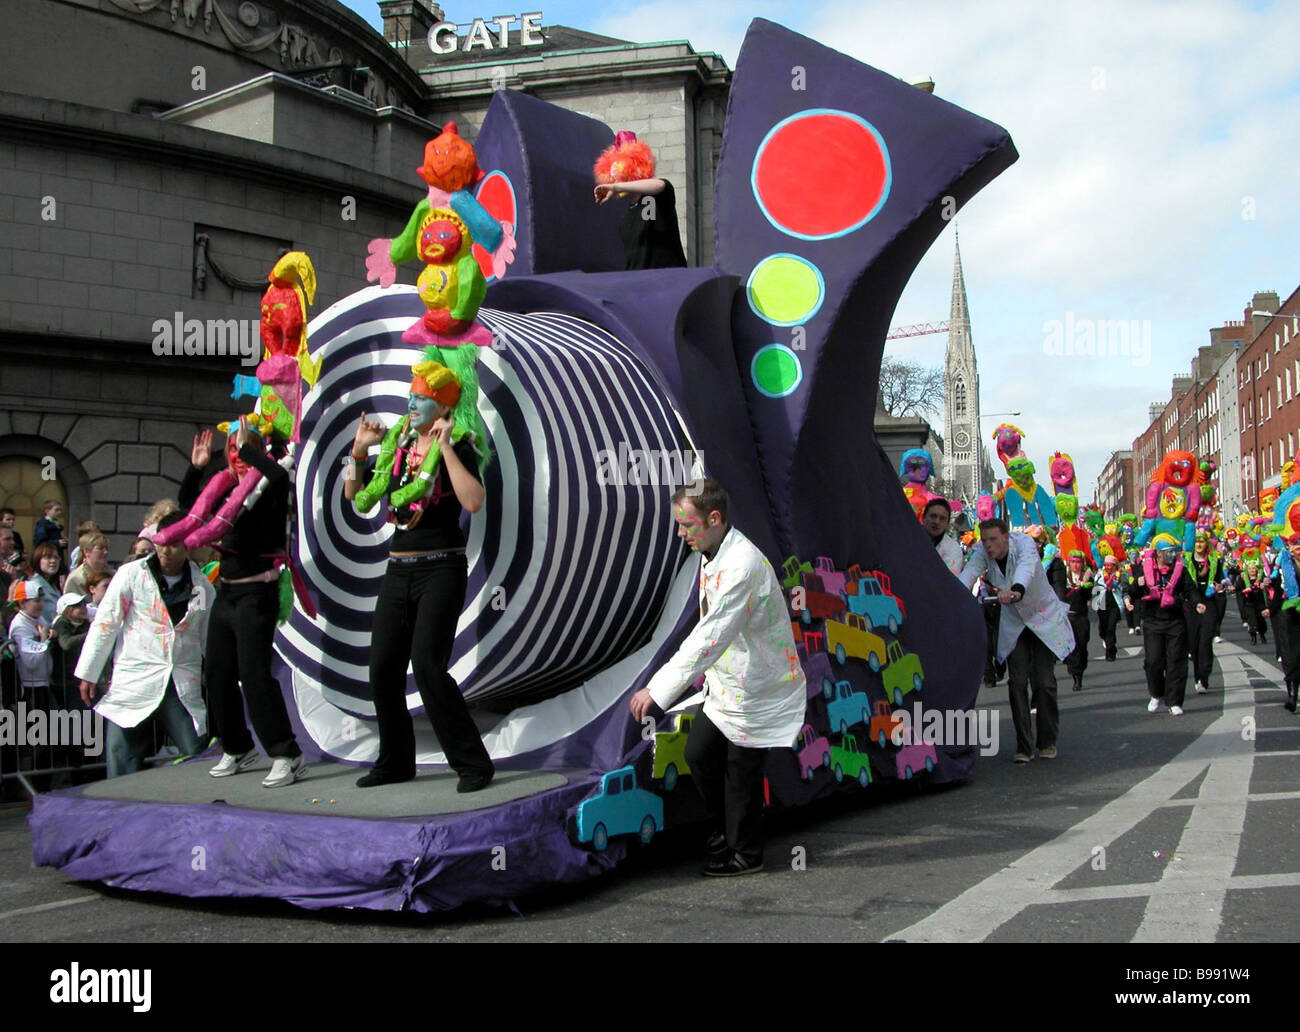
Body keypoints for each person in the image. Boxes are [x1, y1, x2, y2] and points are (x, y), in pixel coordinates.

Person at [630, 479, 806, 876]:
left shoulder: (741, 565)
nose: (680, 533)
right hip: (729, 683)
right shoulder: (713, 550)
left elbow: (709, 635)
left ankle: (746, 853)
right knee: (699, 755)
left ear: (715, 518)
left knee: (741, 772)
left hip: (757, 687)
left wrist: (658, 690)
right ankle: (726, 832)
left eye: (686, 524)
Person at [345, 350, 495, 792]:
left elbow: (473, 502)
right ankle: (395, 762)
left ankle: (472, 764)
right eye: (411, 396)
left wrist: (446, 447)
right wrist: (357, 452)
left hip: (442, 568)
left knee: (428, 666)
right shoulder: (398, 444)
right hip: (398, 568)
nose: (412, 405)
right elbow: (357, 496)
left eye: (422, 398)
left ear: (444, 407)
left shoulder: (461, 444)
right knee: (382, 667)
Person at [169, 418, 307, 788]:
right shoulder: (223, 488)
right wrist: (195, 469)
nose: (237, 456)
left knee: (254, 673)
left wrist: (250, 447)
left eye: (244, 448)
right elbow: (187, 513)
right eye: (231, 449)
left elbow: (274, 475)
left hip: (256, 594)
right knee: (216, 673)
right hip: (227, 594)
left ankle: (286, 754)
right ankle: (237, 746)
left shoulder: (271, 485)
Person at [76, 511, 215, 777]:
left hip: (180, 681)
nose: (165, 549)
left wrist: (223, 680)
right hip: (135, 677)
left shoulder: (203, 588)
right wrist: (88, 672)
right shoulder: (131, 574)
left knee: (195, 752)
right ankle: (118, 811)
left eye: (174, 543)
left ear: (188, 545)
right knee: (121, 756)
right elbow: (106, 623)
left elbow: (208, 639)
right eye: (161, 541)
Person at [960, 519, 1075, 763]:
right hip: (1015, 622)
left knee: (1044, 683)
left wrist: (1017, 590)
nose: (988, 545)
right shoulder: (982, 552)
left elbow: (1027, 568)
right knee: (1017, 683)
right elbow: (969, 573)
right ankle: (1024, 746)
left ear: (1006, 537)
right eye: (985, 540)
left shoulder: (1024, 544)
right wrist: (956, 594)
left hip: (1041, 617)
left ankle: (1047, 741)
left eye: (993, 539)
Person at [593, 131, 688, 270]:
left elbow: (660, 185)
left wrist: (617, 187)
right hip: (641, 283)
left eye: (619, 167)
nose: (614, 175)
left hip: (668, 280)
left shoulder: (656, 198)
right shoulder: (626, 218)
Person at [1126, 542, 1199, 716]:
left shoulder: (1179, 570)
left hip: (1175, 620)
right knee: (1153, 662)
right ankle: (1156, 693)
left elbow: (1190, 590)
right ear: (1158, 553)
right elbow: (1133, 592)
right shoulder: (1145, 569)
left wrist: (1198, 603)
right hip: (1152, 621)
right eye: (1168, 552)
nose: (1172, 555)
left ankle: (1174, 701)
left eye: (1173, 552)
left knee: (1176, 661)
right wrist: (1137, 583)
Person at [1184, 531, 1221, 694]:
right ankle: (1198, 675)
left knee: (1205, 641)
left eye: (1202, 541)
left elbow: (1221, 579)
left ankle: (1203, 679)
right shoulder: (1186, 561)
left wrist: (1220, 586)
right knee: (1193, 643)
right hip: (1191, 605)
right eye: (1196, 541)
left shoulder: (1214, 561)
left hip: (1209, 603)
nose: (1199, 544)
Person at [1062, 550, 1093, 691]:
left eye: (1078, 562)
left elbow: (1090, 594)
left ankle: (1080, 672)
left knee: (1082, 646)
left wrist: (1083, 586)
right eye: (1073, 562)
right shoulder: (1063, 576)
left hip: (1081, 616)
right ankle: (1075, 676)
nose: (1075, 565)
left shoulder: (1087, 577)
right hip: (1066, 617)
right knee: (1071, 648)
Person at [1091, 555, 1125, 662]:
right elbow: (1095, 589)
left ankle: (1110, 652)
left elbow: (1125, 589)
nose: (1108, 567)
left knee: (1111, 627)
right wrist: (1094, 604)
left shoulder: (1120, 575)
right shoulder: (1100, 575)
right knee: (1103, 629)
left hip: (1115, 605)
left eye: (1111, 565)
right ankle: (1110, 644)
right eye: (1106, 565)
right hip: (1102, 604)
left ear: (1115, 566)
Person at [25, 543, 64, 629]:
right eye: (48, 557)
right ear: (38, 560)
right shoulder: (34, 585)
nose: (53, 561)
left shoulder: (53, 585)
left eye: (56, 557)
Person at [63, 531, 111, 598]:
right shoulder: (76, 579)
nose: (106, 552)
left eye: (106, 548)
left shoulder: (112, 574)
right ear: (86, 552)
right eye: (100, 548)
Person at [923, 497, 964, 575]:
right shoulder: (910, 541)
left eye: (942, 518)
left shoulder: (953, 549)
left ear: (947, 523)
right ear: (924, 518)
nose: (937, 521)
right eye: (933, 516)